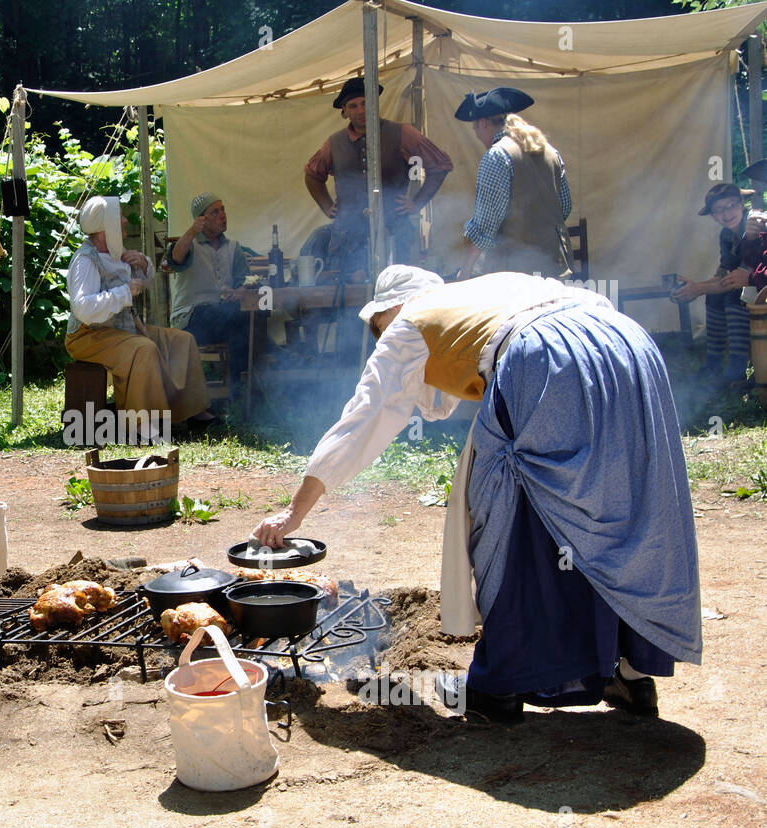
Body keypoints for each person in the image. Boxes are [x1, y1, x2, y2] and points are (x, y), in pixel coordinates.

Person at [253, 266, 701, 724]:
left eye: (378, 330)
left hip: (545, 356)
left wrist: (294, 511)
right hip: (629, 345)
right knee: (621, 504)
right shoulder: (492, 291)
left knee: (505, 511)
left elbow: (363, 419)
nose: (380, 343)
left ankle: (499, 686)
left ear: (393, 310)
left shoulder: (409, 324)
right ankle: (629, 669)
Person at [65, 196, 215, 437]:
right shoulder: (85, 261)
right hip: (88, 336)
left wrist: (143, 265)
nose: (124, 220)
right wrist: (124, 293)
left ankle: (190, 410)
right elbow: (83, 308)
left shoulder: (116, 253)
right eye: (118, 217)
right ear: (105, 228)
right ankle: (142, 425)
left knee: (182, 340)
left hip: (121, 329)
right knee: (143, 349)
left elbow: (143, 283)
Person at [303, 77, 453, 280]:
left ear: (375, 103)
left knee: (397, 292)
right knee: (347, 295)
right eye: (353, 106)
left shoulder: (403, 134)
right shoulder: (334, 143)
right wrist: (327, 205)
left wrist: (417, 203)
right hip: (348, 238)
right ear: (345, 112)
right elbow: (312, 175)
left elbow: (440, 166)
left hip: (394, 232)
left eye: (365, 103)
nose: (360, 110)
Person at [454, 88, 572, 280]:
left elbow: (485, 226)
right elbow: (564, 207)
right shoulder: (551, 152)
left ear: (483, 123)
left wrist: (465, 270)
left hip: (517, 274)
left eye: (475, 128)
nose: (476, 135)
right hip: (556, 266)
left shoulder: (496, 156)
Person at [165, 192, 251, 393]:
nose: (222, 215)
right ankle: (237, 390)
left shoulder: (233, 248)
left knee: (249, 319)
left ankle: (237, 389)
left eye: (223, 210)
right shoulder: (189, 244)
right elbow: (175, 259)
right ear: (201, 220)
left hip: (223, 317)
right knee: (230, 317)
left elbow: (245, 281)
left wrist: (239, 292)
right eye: (215, 212)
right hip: (191, 320)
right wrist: (191, 232)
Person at [671, 182, 753, 383]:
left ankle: (737, 367)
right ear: (713, 216)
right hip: (751, 284)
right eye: (719, 210)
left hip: (761, 284)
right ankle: (713, 365)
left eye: (731, 205)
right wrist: (698, 287)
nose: (726, 214)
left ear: (742, 203)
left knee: (734, 296)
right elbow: (725, 274)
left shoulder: (753, 227)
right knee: (716, 296)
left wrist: (698, 288)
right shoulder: (727, 234)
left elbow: (740, 279)